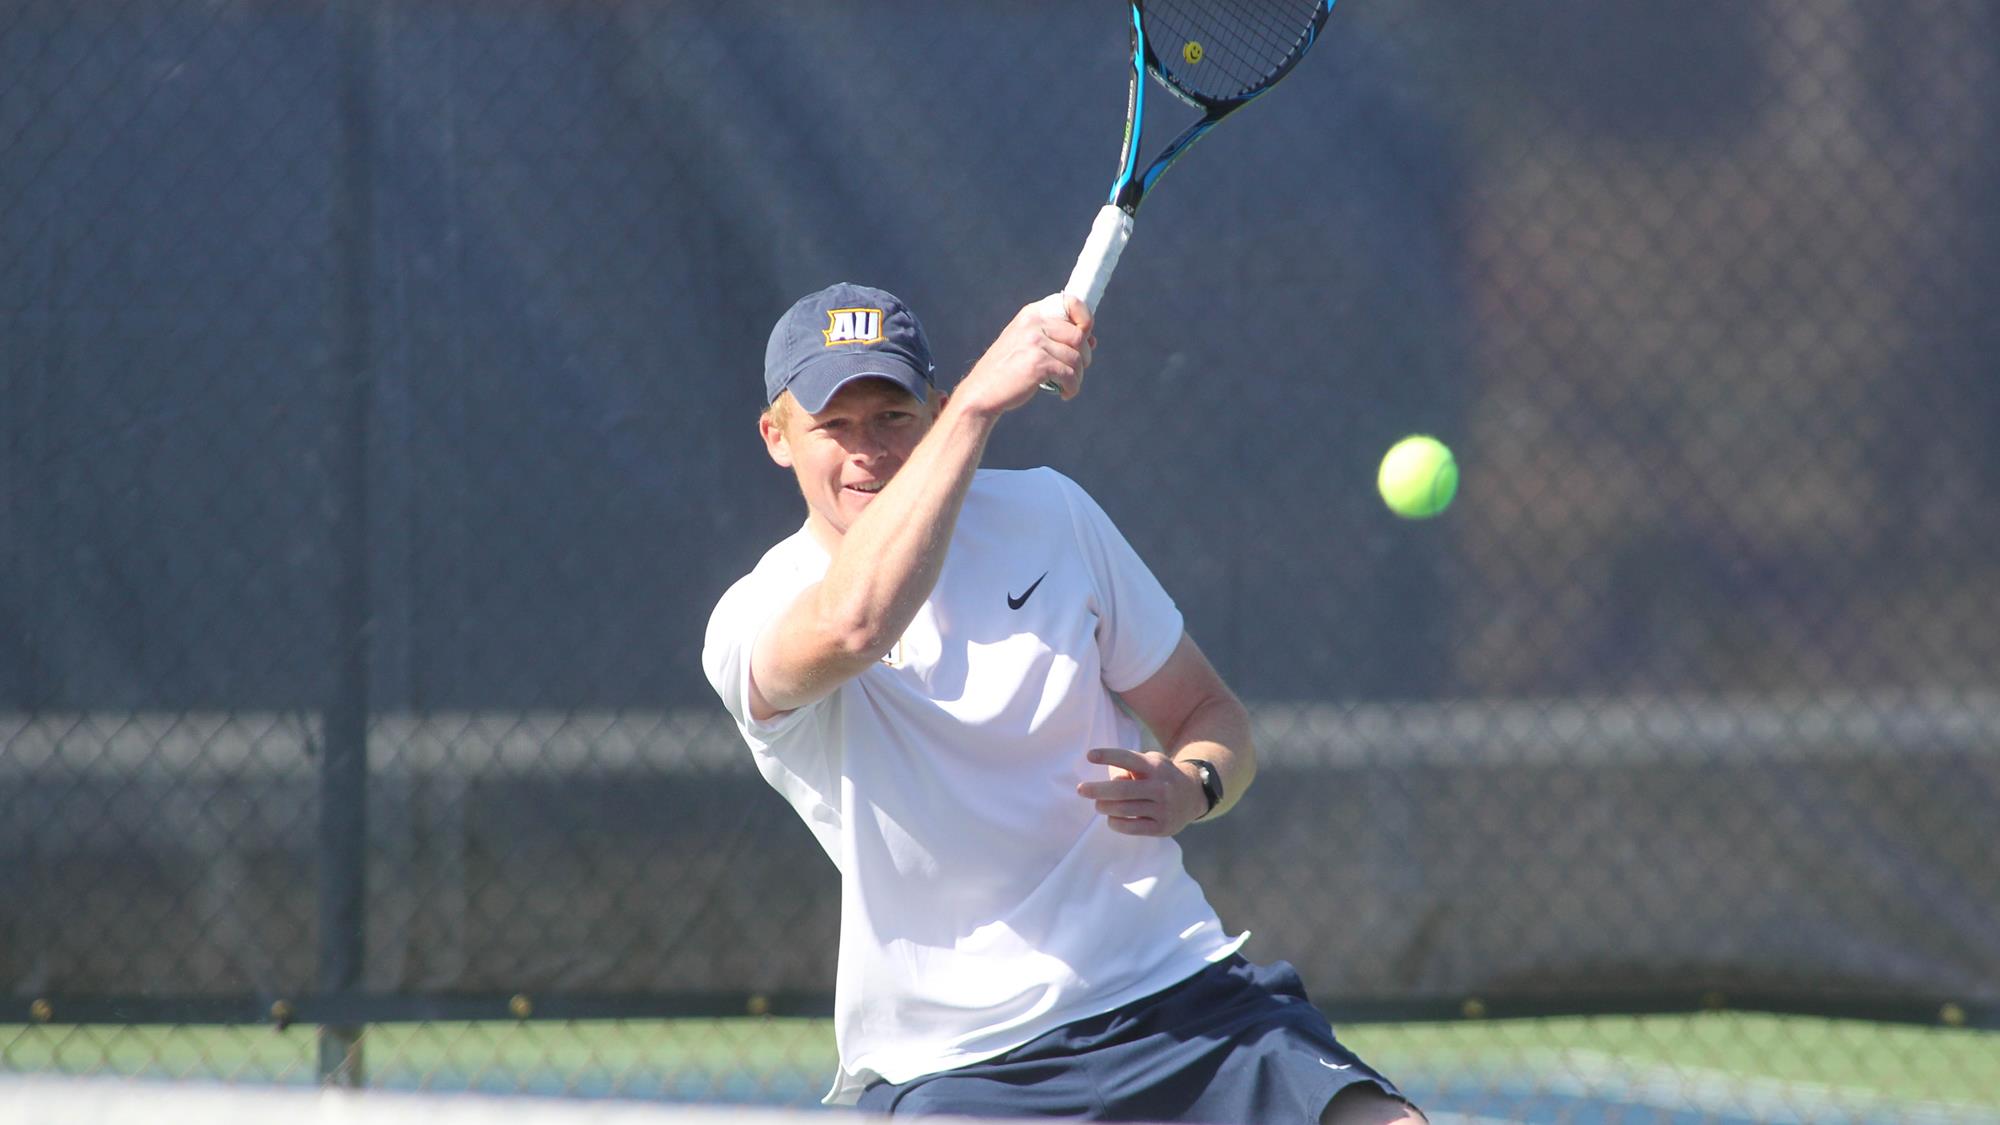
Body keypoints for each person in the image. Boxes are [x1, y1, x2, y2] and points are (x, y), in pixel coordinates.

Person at [703, 282, 1423, 1124]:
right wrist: (978, 405)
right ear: (777, 436)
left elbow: (1212, 717)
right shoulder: (752, 617)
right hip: (959, 1066)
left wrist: (1193, 785)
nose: (866, 449)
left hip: (1180, 997)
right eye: (835, 424)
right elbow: (855, 623)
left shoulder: (1052, 515)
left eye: (894, 416)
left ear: (929, 412)